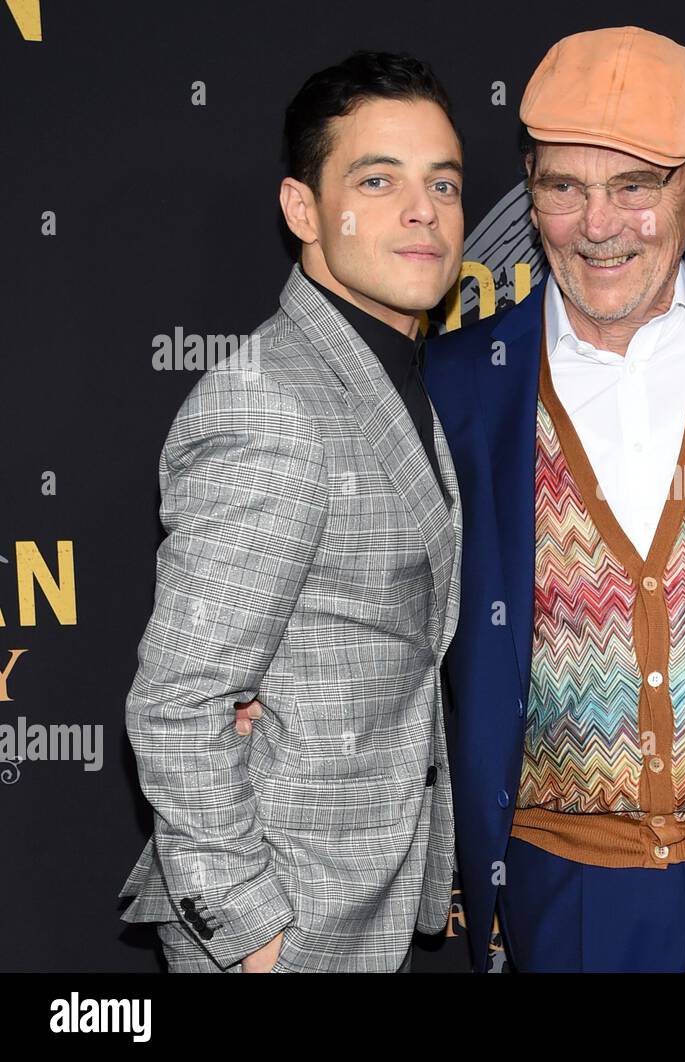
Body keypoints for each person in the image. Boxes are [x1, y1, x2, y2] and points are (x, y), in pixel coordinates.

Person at [422, 26, 685, 972]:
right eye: (563, 187)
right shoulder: (459, 383)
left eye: (634, 187)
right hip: (565, 892)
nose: (597, 224)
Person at [118, 51, 465, 973]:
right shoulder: (271, 404)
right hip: (289, 923)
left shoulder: (392, 377)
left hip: (361, 902)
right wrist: (252, 934)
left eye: (443, 181)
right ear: (303, 210)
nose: (423, 209)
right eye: (378, 179)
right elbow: (179, 701)